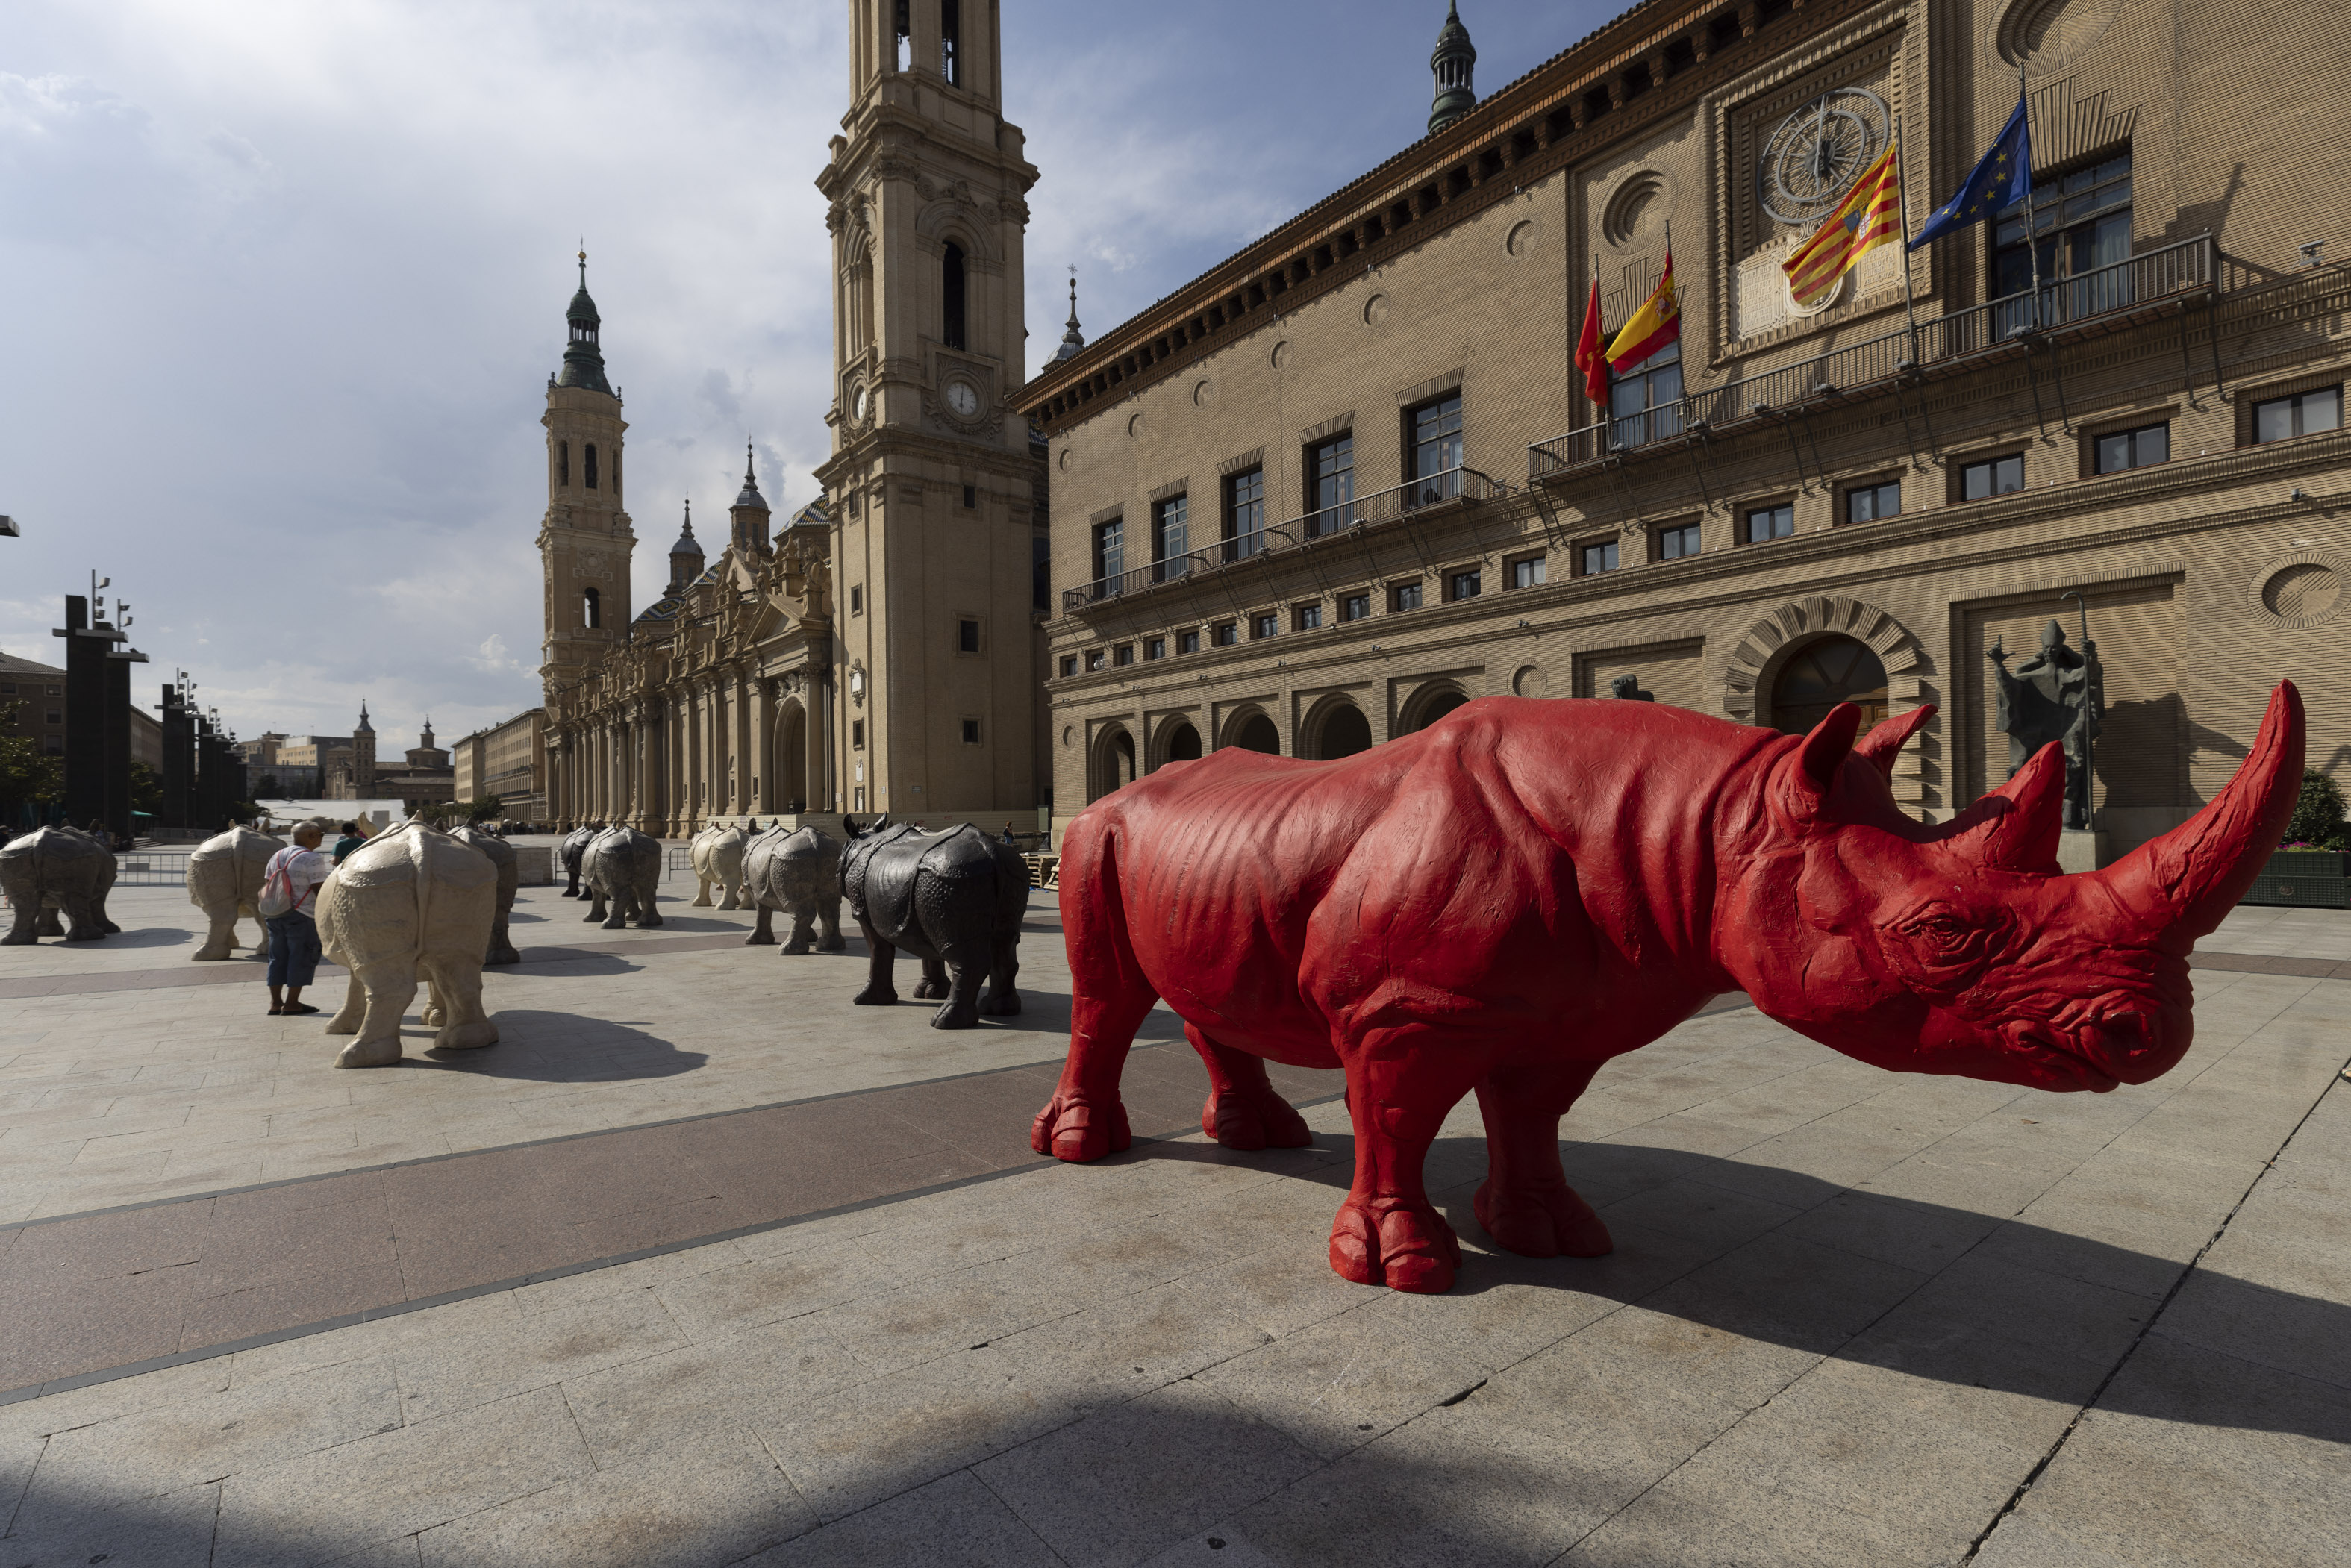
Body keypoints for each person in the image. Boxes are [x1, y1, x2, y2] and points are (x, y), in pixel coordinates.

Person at [261, 822, 334, 1017]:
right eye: (320, 834)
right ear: (311, 835)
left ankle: (276, 1003)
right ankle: (292, 1003)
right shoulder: (312, 858)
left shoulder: (277, 855)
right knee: (301, 957)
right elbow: (320, 889)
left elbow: (269, 883)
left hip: (276, 913)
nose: (321, 837)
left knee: (277, 958)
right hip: (303, 914)